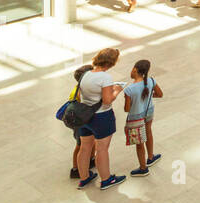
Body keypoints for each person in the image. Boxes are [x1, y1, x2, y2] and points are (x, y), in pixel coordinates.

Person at [75, 48, 126, 190]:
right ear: (111, 63)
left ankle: (84, 178)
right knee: (102, 149)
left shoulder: (85, 74)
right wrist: (117, 89)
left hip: (84, 116)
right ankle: (106, 180)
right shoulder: (105, 78)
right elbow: (107, 100)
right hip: (101, 117)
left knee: (85, 148)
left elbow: (80, 95)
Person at [122, 59, 163, 177]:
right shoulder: (151, 81)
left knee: (139, 142)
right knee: (148, 132)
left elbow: (127, 109)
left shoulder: (129, 89)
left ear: (135, 70)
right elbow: (160, 94)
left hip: (136, 117)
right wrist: (145, 98)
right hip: (149, 112)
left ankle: (143, 168)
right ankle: (150, 157)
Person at [67, 64, 96, 181]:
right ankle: (76, 169)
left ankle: (90, 160)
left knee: (89, 142)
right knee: (80, 145)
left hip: (83, 119)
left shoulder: (80, 87)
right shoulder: (80, 90)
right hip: (80, 121)